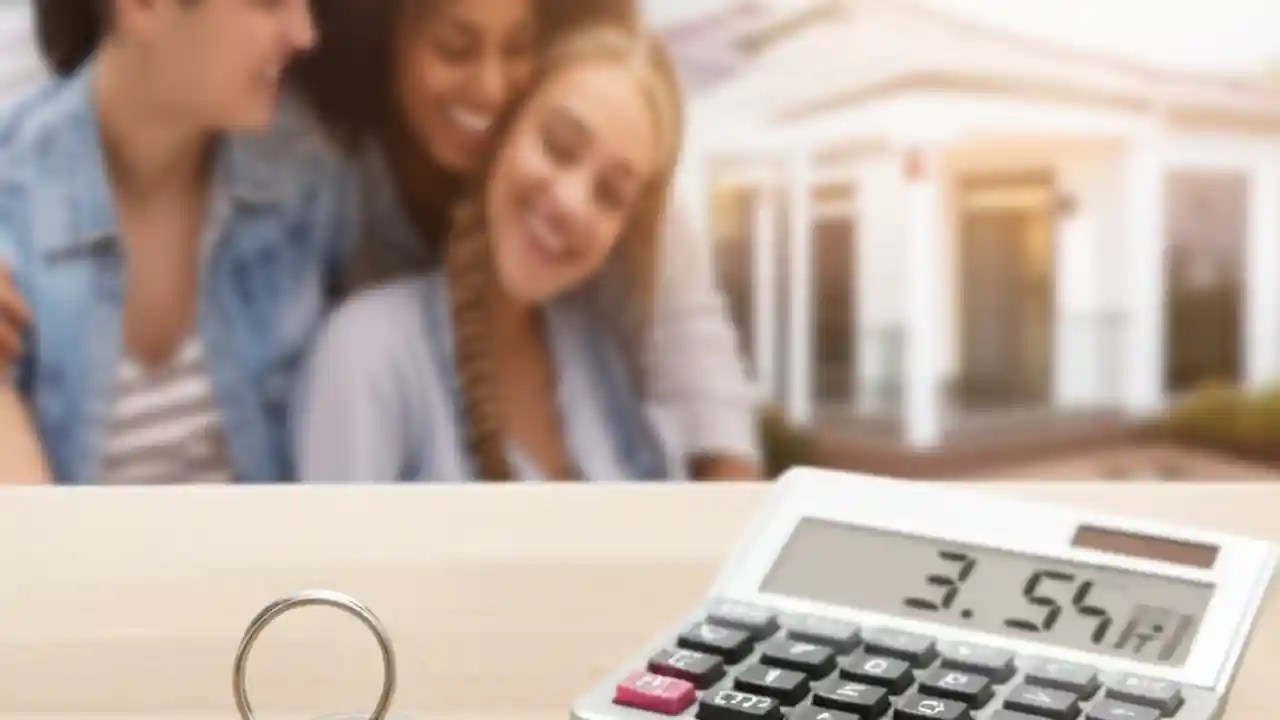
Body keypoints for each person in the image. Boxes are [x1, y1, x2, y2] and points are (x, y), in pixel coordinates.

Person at [292, 0, 763, 480]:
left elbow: (700, 364)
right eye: (557, 146)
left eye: (610, 194)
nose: (490, 88)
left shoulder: (597, 360)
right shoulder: (366, 349)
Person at [0, 0, 356, 484]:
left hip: (268, 558)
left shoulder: (307, 181)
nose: (304, 33)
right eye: (268, 3)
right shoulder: (12, 200)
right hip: (61, 559)